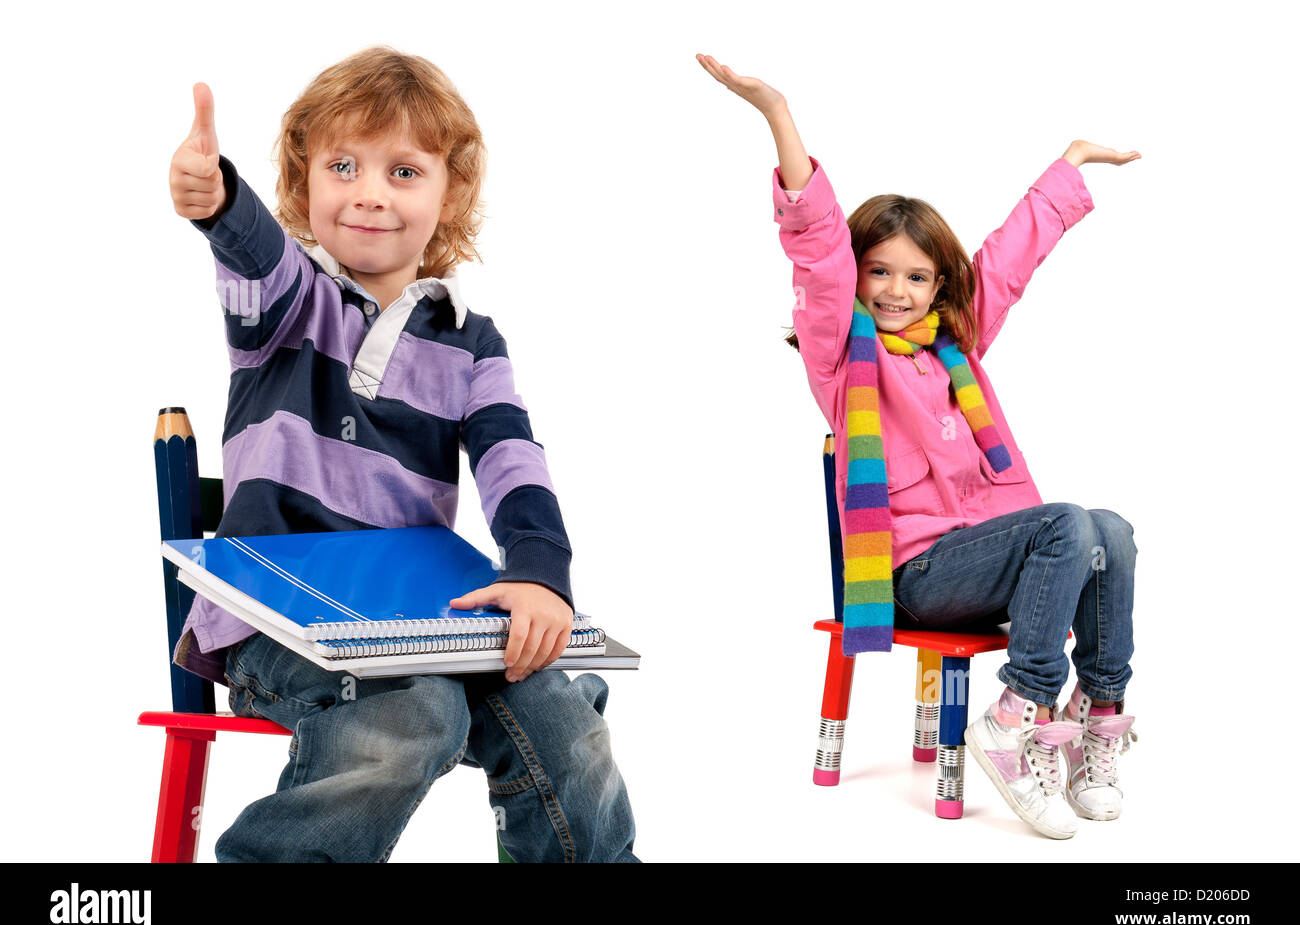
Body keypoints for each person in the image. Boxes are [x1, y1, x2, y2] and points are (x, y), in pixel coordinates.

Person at [167, 46, 637, 862]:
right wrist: (219, 204)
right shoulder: (289, 301)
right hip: (273, 625)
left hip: (417, 625)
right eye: (342, 165)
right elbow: (252, 252)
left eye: (404, 172)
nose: (369, 193)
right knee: (415, 711)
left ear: (449, 191)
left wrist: (537, 572)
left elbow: (512, 461)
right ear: (303, 181)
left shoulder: (471, 342)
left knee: (563, 716)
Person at [699, 53, 1139, 840]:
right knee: (1066, 521)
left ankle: (1096, 717)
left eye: (918, 277)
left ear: (941, 290)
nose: (897, 291)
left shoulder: (954, 350)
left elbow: (1005, 264)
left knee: (1110, 528)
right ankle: (1018, 713)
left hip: (990, 558)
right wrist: (778, 114)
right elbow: (818, 251)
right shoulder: (840, 356)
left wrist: (1066, 167)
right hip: (916, 573)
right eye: (880, 272)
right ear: (858, 276)